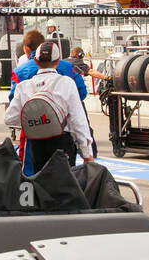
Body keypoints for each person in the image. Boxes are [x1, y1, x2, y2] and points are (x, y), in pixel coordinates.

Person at [5, 40, 93, 174]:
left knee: (38, 186)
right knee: (63, 188)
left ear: (35, 60)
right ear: (58, 61)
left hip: (35, 145)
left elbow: (10, 119)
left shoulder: (24, 86)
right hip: (62, 141)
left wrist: (36, 121)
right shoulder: (66, 83)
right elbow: (78, 120)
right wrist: (87, 153)